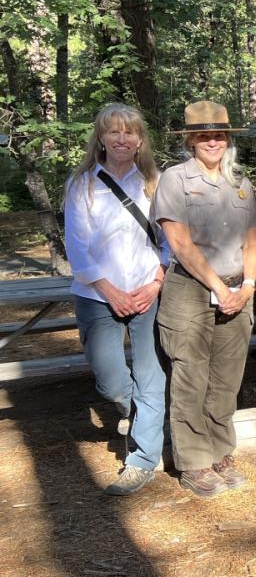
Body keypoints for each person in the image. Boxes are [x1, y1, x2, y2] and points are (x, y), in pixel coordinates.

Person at [154, 101, 256, 498]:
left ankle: (220, 451)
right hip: (191, 290)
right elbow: (179, 242)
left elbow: (252, 236)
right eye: (203, 135)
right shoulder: (175, 179)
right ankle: (195, 462)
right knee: (191, 375)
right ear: (191, 140)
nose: (212, 141)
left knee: (227, 378)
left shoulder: (240, 181)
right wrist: (219, 287)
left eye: (219, 134)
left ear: (228, 139)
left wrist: (248, 285)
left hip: (237, 289)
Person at [64, 103, 168, 496]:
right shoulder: (83, 184)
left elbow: (169, 242)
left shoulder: (154, 183)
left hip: (147, 293)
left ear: (141, 139)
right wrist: (111, 292)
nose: (122, 139)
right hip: (96, 296)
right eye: (114, 132)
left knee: (151, 375)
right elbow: (77, 248)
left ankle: (143, 460)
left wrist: (155, 283)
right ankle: (146, 418)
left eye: (130, 132)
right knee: (110, 381)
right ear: (102, 138)